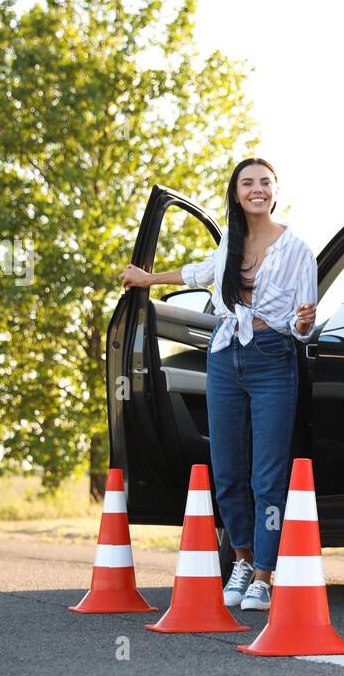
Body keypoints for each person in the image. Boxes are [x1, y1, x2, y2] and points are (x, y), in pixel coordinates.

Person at [120, 158, 318, 611]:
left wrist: (303, 322)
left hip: (272, 359)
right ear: (235, 193)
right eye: (247, 183)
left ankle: (265, 575)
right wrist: (148, 279)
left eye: (265, 182)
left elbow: (304, 327)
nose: (257, 190)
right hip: (225, 357)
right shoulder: (230, 241)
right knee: (227, 473)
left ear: (276, 190)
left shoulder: (298, 250)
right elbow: (197, 272)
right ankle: (244, 561)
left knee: (266, 475)